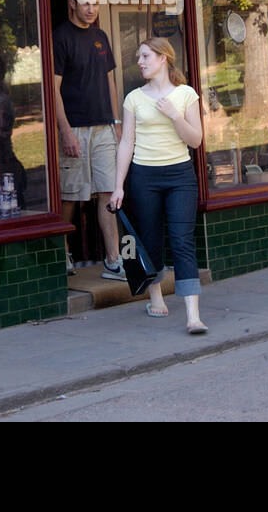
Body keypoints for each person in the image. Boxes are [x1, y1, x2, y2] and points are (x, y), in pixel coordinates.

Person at [110, 37, 206, 334]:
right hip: (144, 178)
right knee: (149, 240)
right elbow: (127, 142)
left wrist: (174, 115)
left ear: (163, 58)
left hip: (180, 176)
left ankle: (193, 315)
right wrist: (118, 186)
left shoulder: (186, 94)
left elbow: (196, 140)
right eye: (138, 57)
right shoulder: (133, 99)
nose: (139, 62)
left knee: (182, 241)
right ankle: (155, 297)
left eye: (145, 56)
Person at [52, 0, 126, 280]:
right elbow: (52, 89)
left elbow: (109, 81)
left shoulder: (101, 37)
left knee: (108, 194)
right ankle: (63, 251)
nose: (91, 8)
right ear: (73, 4)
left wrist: (116, 121)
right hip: (76, 129)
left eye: (95, 3)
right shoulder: (61, 38)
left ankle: (113, 260)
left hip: (103, 128)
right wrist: (66, 131)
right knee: (71, 195)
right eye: (85, 3)